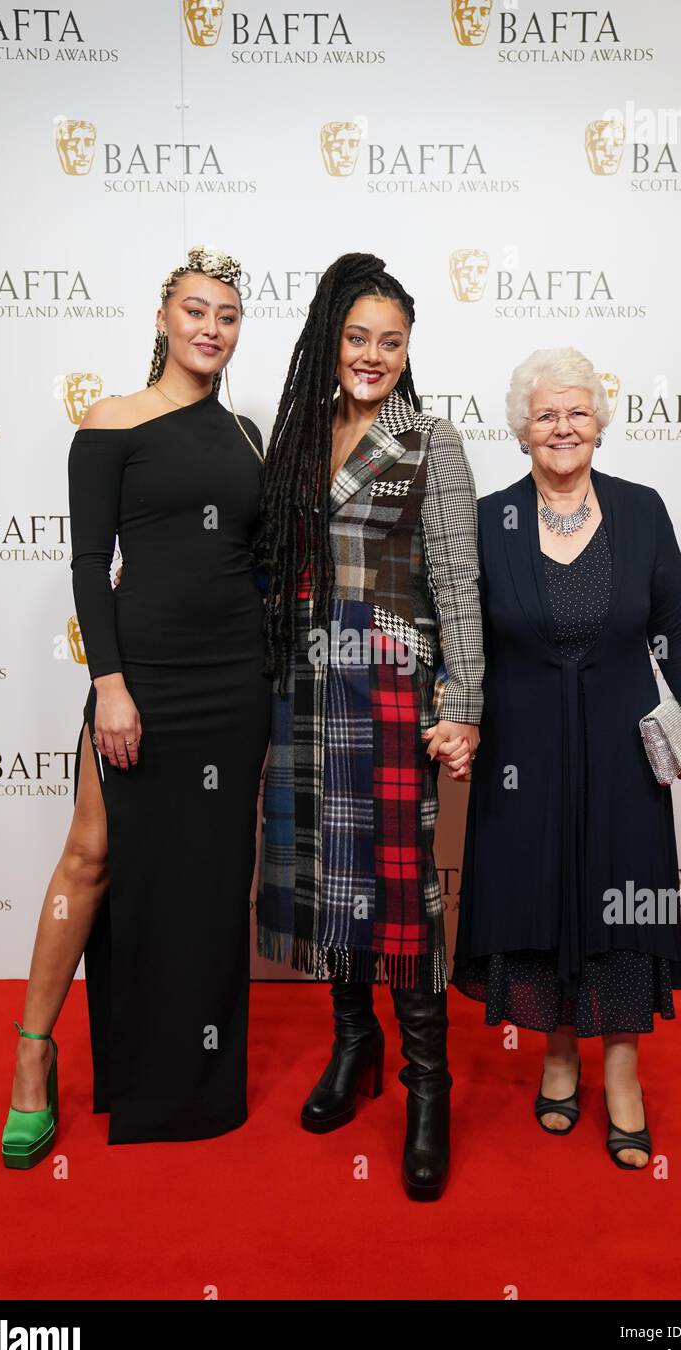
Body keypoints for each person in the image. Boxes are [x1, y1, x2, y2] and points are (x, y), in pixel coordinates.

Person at [0, 245, 270, 1166]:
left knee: (207, 876)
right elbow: (87, 563)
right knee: (93, 851)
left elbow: (252, 561)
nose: (212, 328)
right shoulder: (112, 421)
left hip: (236, 681)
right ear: (163, 319)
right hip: (144, 672)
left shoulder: (244, 435)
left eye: (228, 315)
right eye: (196, 310)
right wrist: (110, 682)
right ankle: (32, 1058)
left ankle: (182, 1080)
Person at [452, 346, 681, 1169]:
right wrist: (454, 713)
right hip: (521, 750)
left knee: (620, 904)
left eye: (576, 411)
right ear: (522, 431)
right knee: (540, 901)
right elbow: (464, 634)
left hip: (618, 744)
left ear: (599, 423)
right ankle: (560, 1056)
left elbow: (673, 625)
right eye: (545, 414)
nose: (562, 426)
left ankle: (623, 1074)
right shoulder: (491, 518)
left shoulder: (642, 511)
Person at [255, 252, 484, 1201]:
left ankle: (425, 1087)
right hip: (304, 691)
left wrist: (462, 702)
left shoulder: (433, 440)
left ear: (408, 351)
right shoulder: (298, 442)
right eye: (358, 337)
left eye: (391, 341)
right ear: (329, 341)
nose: (374, 354)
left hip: (392, 692)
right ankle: (354, 1044)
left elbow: (459, 585)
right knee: (325, 877)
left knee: (400, 891)